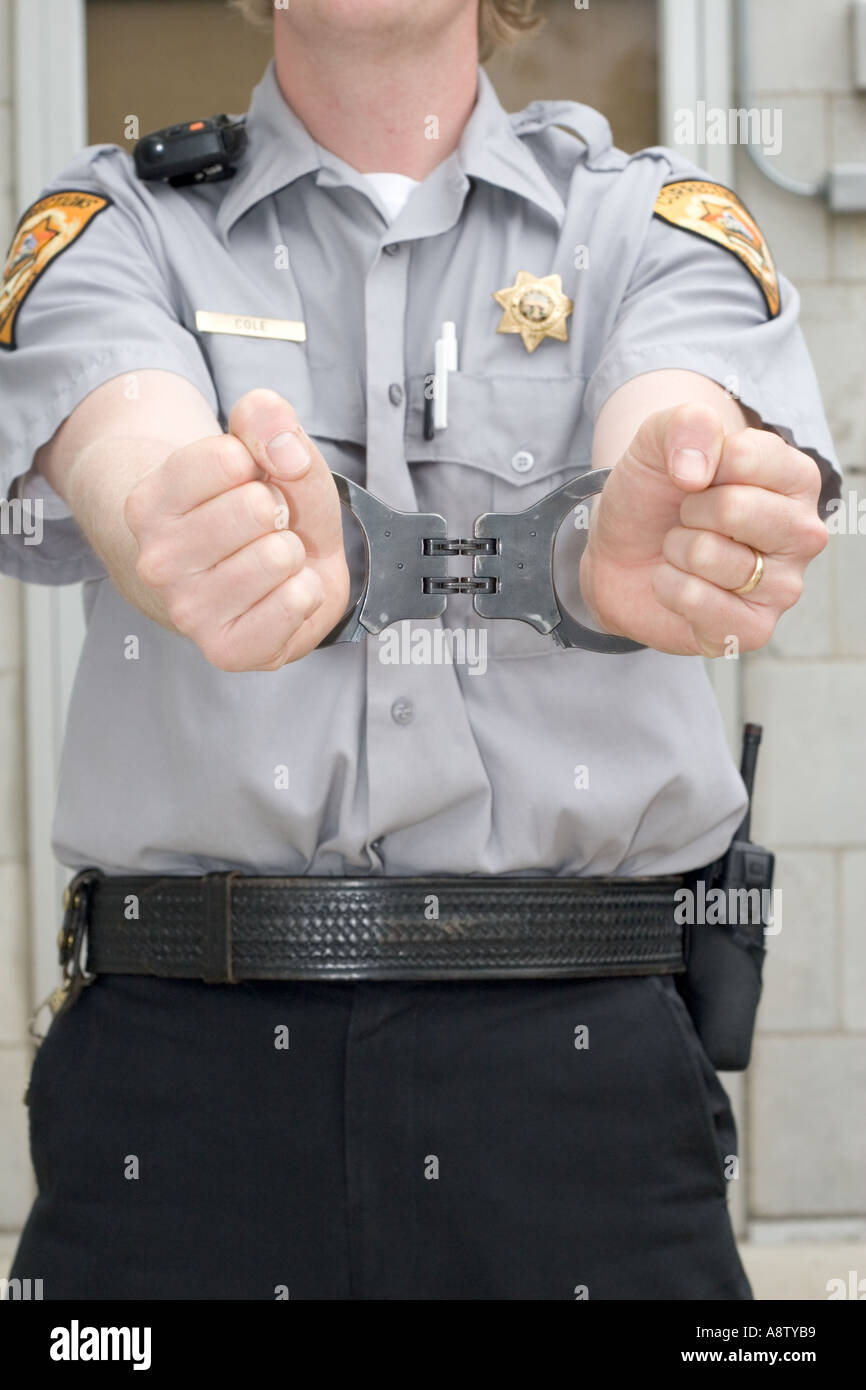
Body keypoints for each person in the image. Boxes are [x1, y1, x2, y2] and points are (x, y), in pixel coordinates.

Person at [2, 0, 837, 1300]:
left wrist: (657, 509)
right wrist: (167, 509)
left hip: (578, 1087)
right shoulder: (118, 224)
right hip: (186, 1090)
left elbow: (672, 409)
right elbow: (119, 431)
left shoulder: (646, 224)